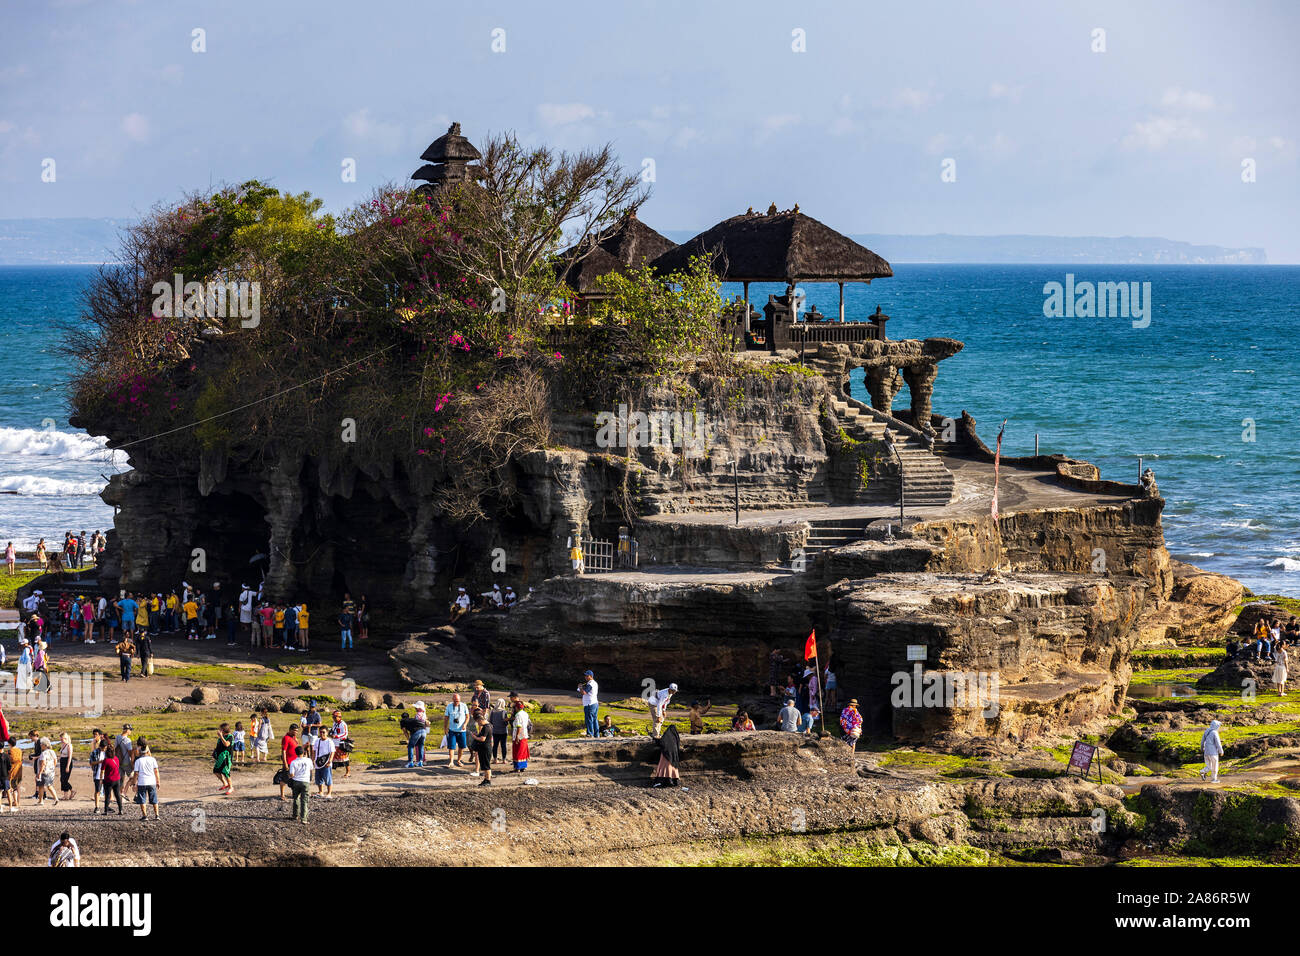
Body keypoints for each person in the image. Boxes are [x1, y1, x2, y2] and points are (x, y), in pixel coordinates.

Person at [130, 740, 161, 819]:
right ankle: (157, 815)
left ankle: (145, 815)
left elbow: (136, 773)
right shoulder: (152, 759)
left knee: (142, 800)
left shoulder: (138, 761)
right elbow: (156, 771)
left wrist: (134, 784)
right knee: (154, 799)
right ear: (147, 752)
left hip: (142, 782)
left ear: (140, 752)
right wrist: (158, 781)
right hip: (151, 782)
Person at [288, 745, 313, 825]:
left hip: (296, 781)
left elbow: (292, 774)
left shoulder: (293, 762)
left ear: (296, 753)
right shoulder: (309, 760)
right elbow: (311, 769)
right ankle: (304, 818)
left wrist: (289, 776)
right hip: (305, 781)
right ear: (303, 752)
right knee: (304, 800)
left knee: (296, 798)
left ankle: (295, 815)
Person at [444, 693, 469, 768]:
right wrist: (445, 728)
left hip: (462, 730)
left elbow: (467, 717)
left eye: (457, 701)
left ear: (460, 700)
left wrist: (465, 724)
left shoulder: (464, 706)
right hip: (452, 730)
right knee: (451, 747)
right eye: (455, 701)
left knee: (462, 746)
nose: (456, 702)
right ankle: (451, 761)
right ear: (452, 700)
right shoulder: (449, 706)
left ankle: (458, 760)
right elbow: (446, 718)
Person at [469, 711, 493, 785]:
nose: (478, 724)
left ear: (480, 720)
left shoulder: (486, 727)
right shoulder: (489, 725)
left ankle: (488, 780)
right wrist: (477, 735)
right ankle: (486, 779)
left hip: (486, 748)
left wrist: (474, 737)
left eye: (478, 722)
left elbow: (483, 739)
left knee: (486, 765)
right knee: (485, 765)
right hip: (485, 748)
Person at [403, 703, 430, 767]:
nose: (415, 708)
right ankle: (421, 761)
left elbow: (415, 724)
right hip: (423, 731)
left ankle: (410, 762)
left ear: (419, 708)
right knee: (421, 746)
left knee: (411, 746)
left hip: (417, 731)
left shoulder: (418, 715)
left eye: (416, 707)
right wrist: (427, 731)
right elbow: (427, 723)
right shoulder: (424, 714)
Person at [99, 739, 123, 814]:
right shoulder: (116, 759)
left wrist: (101, 779)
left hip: (108, 780)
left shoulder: (106, 760)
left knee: (107, 795)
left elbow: (102, 771)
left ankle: (106, 811)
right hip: (117, 779)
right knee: (117, 795)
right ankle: (120, 810)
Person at [35, 737, 59, 806]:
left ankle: (41, 801)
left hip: (44, 772)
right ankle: (56, 798)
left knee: (41, 786)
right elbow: (55, 761)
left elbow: (43, 764)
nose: (40, 745)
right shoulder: (52, 752)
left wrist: (39, 773)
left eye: (41, 744)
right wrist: (52, 768)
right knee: (50, 786)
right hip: (51, 772)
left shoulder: (44, 753)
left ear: (45, 745)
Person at [312, 726, 335, 797]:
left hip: (326, 763)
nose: (322, 734)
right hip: (318, 762)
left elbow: (332, 752)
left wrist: (329, 761)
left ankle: (329, 793)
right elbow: (314, 751)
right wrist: (313, 760)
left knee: (328, 778)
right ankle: (320, 792)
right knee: (318, 778)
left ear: (327, 733)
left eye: (323, 732)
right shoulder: (317, 740)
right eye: (321, 732)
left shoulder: (329, 741)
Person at [279, 725, 300, 801]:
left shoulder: (294, 738)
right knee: (285, 778)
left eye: (297, 731)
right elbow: (283, 751)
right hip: (288, 761)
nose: (296, 732)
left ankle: (295, 793)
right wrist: (285, 763)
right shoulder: (286, 738)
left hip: (295, 761)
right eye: (295, 730)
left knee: (295, 778)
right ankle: (282, 795)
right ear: (290, 730)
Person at [213, 723, 235, 795]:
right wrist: (215, 754)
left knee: (226, 773)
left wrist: (221, 736)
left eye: (220, 729)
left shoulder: (230, 736)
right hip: (220, 757)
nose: (219, 730)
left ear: (223, 730)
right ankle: (225, 783)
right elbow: (218, 747)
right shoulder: (220, 738)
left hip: (227, 758)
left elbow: (226, 744)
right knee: (216, 771)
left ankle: (231, 787)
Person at [329, 710, 350, 778]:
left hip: (341, 743)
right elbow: (333, 730)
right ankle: (330, 772)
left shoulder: (343, 724)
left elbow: (345, 733)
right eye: (333, 717)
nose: (334, 719)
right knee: (332, 757)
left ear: (339, 717)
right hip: (334, 743)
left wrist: (337, 736)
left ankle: (348, 772)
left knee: (345, 758)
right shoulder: (334, 723)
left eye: (335, 717)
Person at [578, 670, 600, 738]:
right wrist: (581, 688)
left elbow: (584, 692)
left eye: (587, 676)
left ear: (591, 676)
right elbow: (585, 690)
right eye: (585, 675)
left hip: (589, 704)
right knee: (594, 719)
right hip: (594, 703)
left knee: (589, 719)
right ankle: (596, 735)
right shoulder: (593, 683)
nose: (585, 677)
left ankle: (590, 734)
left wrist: (580, 687)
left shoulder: (590, 684)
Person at [511, 701, 531, 772]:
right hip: (524, 734)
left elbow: (519, 726)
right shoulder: (525, 714)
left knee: (517, 751)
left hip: (519, 735)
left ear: (517, 708)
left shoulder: (518, 715)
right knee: (523, 751)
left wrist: (517, 736)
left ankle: (517, 767)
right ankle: (523, 766)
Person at [489, 699, 509, 764]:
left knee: (495, 745)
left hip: (495, 731)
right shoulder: (503, 712)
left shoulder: (493, 711)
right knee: (503, 745)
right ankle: (504, 760)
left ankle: (495, 759)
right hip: (503, 731)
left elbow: (490, 721)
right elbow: (505, 722)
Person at [58, 732, 76, 801]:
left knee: (64, 779)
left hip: (67, 762)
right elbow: (62, 754)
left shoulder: (69, 746)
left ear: (65, 738)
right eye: (60, 739)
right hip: (62, 762)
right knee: (62, 778)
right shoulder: (63, 745)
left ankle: (72, 790)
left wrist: (67, 766)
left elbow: (70, 757)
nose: (61, 740)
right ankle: (65, 795)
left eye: (62, 739)